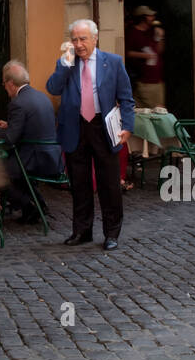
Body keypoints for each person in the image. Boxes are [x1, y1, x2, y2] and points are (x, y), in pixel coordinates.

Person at [46, 19, 135, 251]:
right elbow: (53, 88)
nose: (78, 44)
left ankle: (112, 233)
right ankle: (82, 231)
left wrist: (127, 126)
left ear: (95, 39)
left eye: (83, 39)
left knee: (109, 184)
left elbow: (126, 98)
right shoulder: (66, 62)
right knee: (79, 183)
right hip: (75, 128)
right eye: (74, 39)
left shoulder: (113, 63)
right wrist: (65, 64)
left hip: (103, 127)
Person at [0, 60, 63, 225]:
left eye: (4, 84)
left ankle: (32, 206)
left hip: (35, 158)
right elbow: (34, 126)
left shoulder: (18, 103)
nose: (4, 88)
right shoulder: (41, 96)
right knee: (15, 170)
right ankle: (36, 206)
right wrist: (9, 125)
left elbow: (10, 139)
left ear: (11, 84)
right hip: (52, 156)